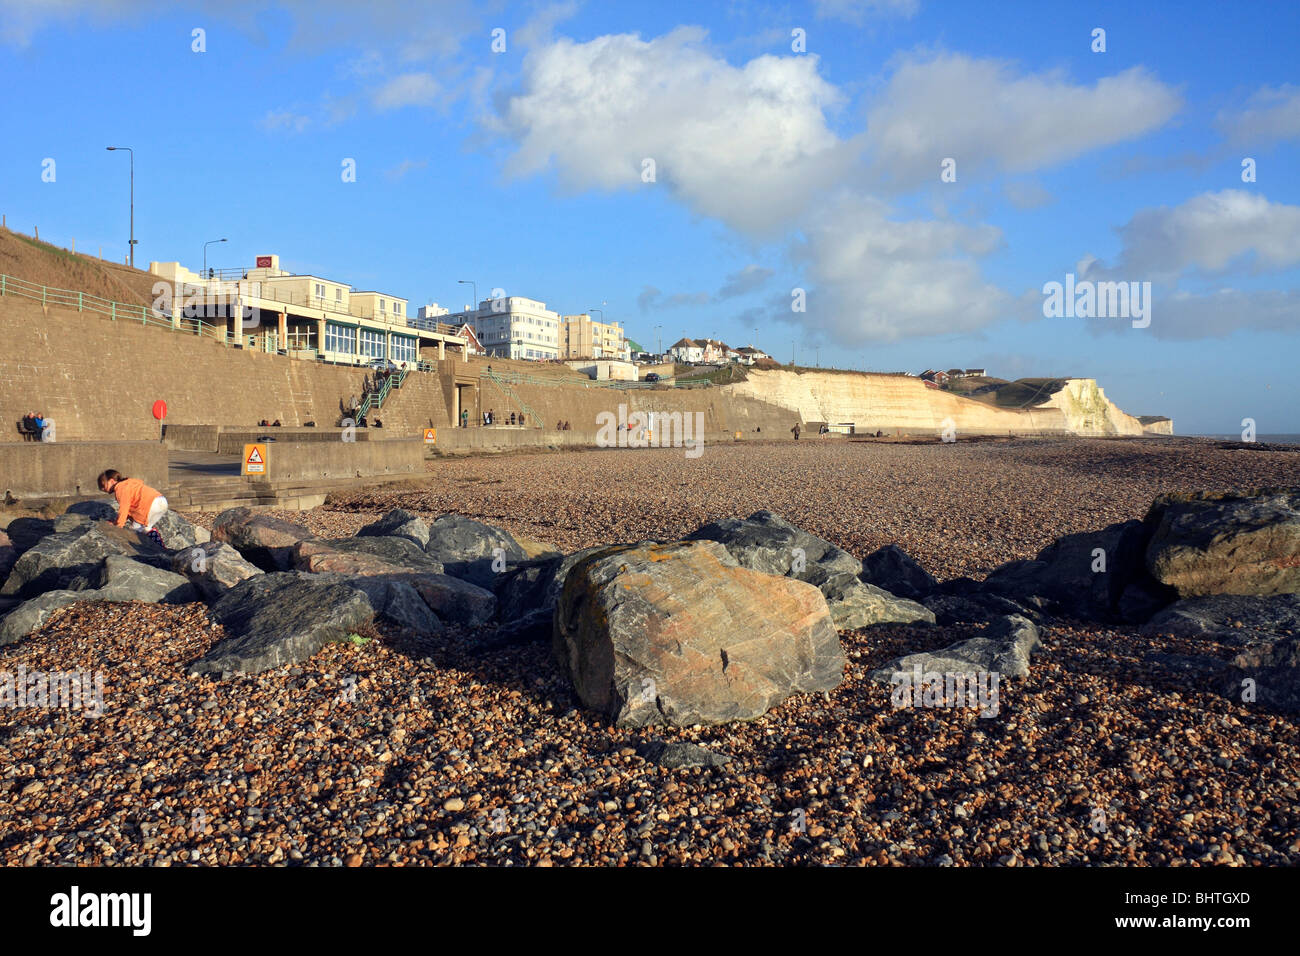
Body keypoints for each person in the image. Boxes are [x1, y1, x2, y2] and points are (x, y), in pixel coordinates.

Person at [98, 469, 167, 548]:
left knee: (135, 530)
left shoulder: (120, 488)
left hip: (149, 504)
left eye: (103, 486)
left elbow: (124, 508)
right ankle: (161, 547)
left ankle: (147, 550)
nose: (102, 489)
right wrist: (117, 521)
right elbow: (128, 510)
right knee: (146, 528)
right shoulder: (130, 484)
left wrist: (118, 526)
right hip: (161, 500)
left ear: (112, 481)